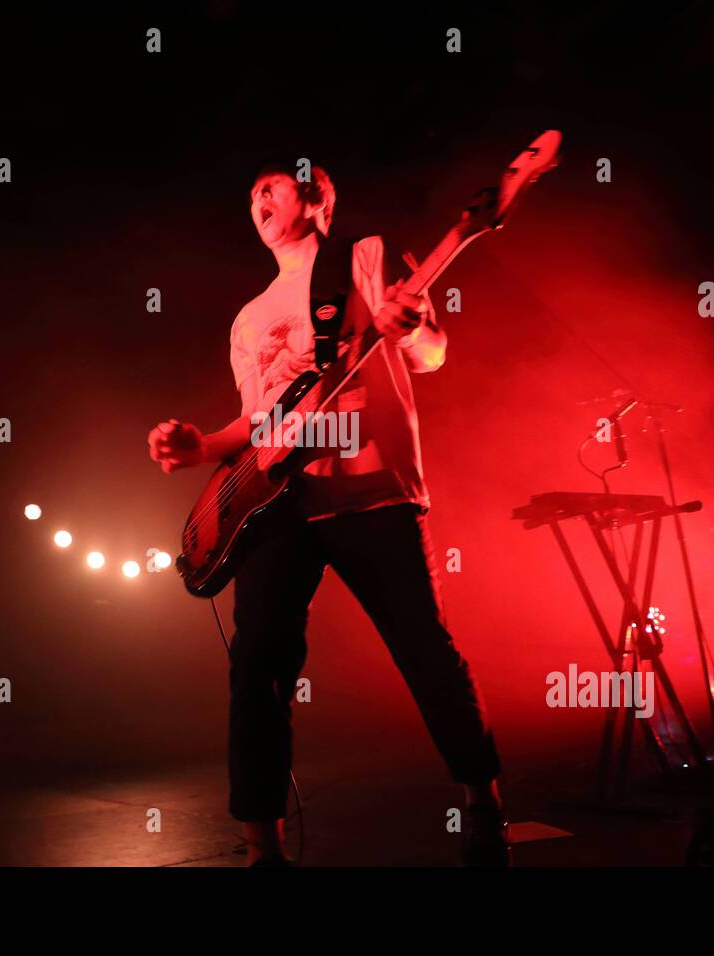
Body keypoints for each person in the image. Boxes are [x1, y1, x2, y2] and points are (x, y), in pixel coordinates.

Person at [148, 160, 507, 866]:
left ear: (317, 199)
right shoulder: (248, 318)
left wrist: (412, 327)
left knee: (423, 649)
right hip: (277, 507)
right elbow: (258, 422)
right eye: (252, 192)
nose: (258, 198)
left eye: (273, 187)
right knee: (257, 668)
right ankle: (263, 850)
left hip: (372, 491)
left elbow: (432, 355)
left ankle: (482, 805)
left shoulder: (365, 259)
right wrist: (201, 447)